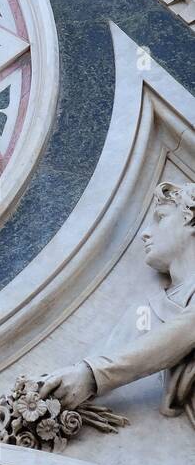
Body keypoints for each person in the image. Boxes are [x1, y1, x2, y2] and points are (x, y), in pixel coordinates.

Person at [40, 181, 195, 427]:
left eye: (161, 218)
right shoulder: (150, 308)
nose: (146, 232)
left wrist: (92, 375)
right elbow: (112, 354)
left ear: (190, 220)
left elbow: (185, 330)